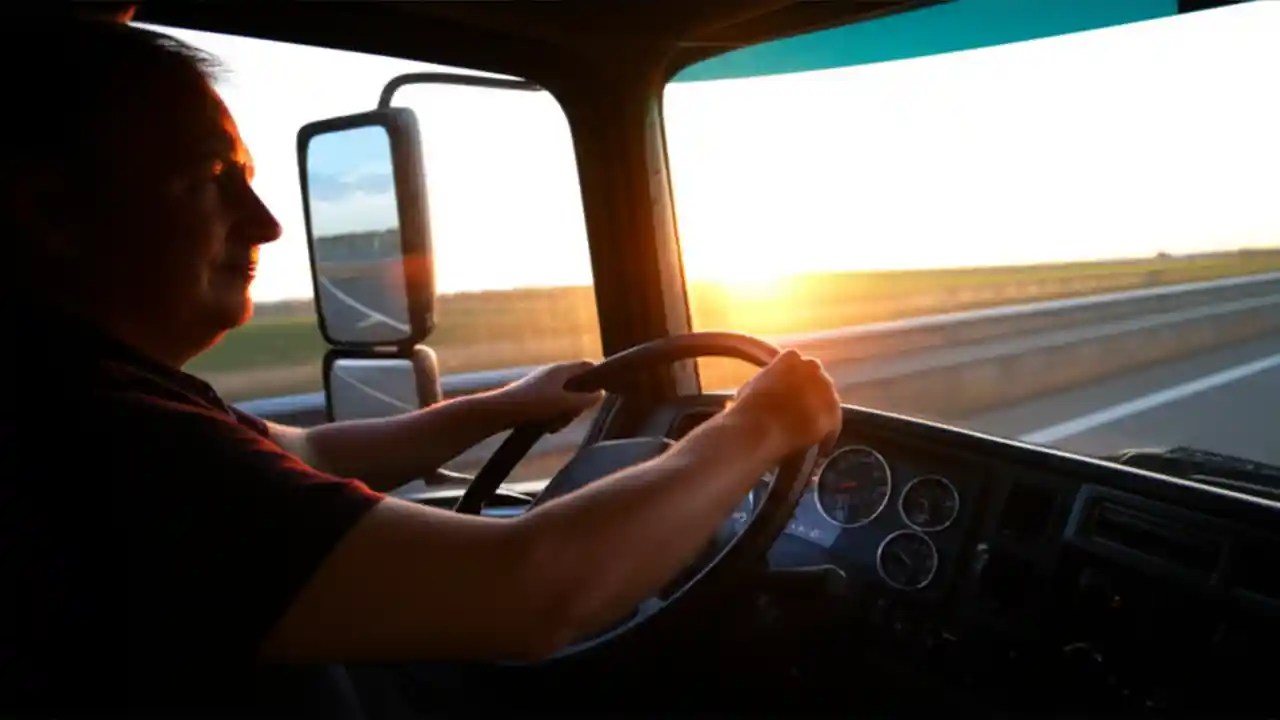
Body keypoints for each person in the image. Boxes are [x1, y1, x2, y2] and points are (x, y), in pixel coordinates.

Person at [0, 15, 842, 717]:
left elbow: (315, 455)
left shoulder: (99, 395)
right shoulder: (98, 442)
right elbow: (533, 591)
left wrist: (503, 405)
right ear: (53, 211)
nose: (264, 225)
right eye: (214, 180)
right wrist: (760, 427)